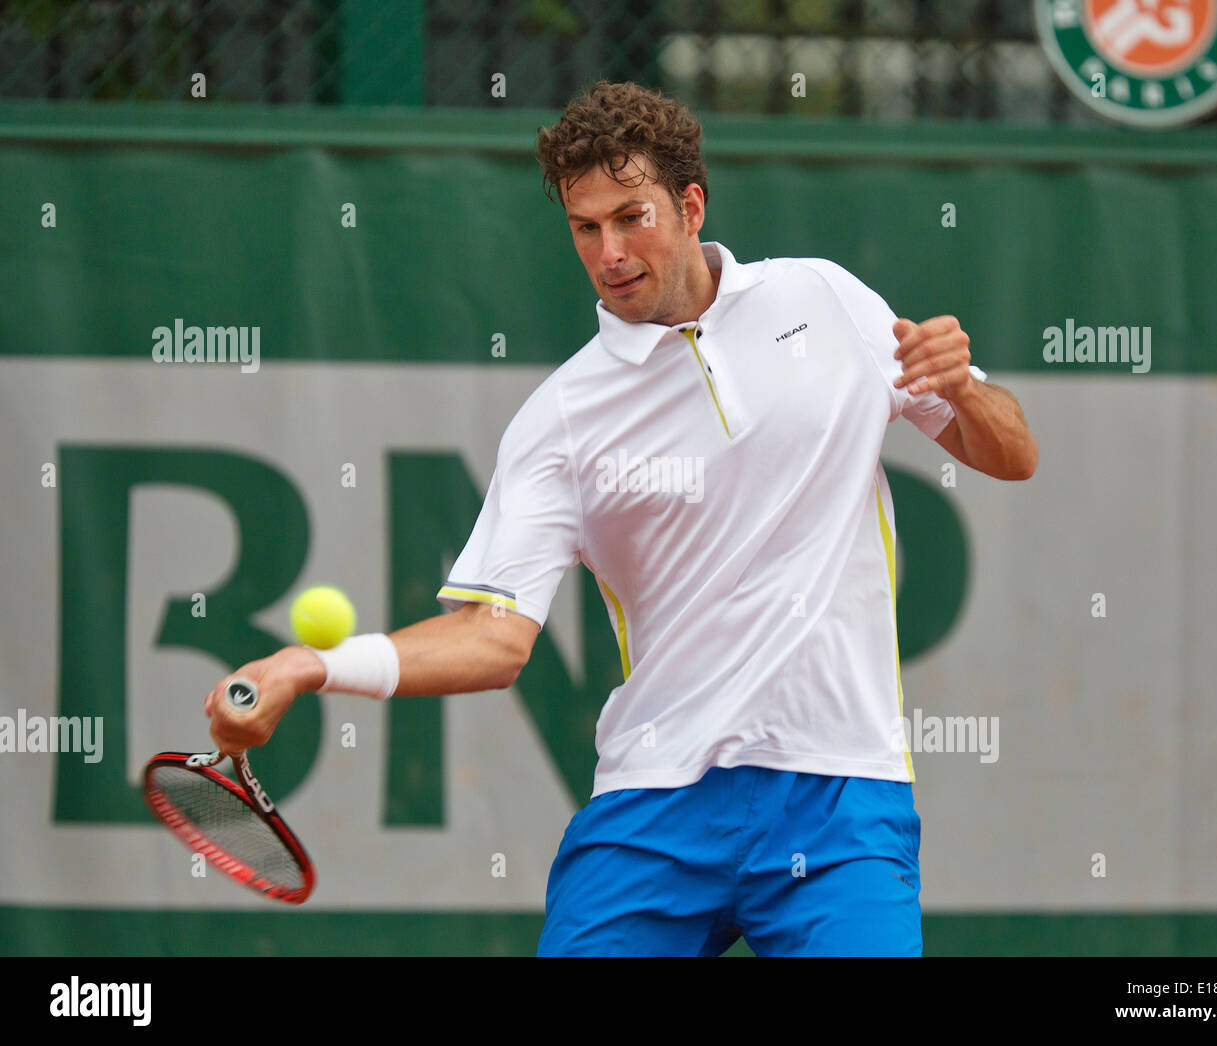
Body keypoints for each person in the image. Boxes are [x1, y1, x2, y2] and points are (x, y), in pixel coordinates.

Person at [205, 80, 1037, 956]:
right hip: (655, 801)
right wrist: (312, 666)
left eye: (630, 217)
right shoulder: (563, 417)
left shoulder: (825, 301)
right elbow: (494, 639)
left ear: (690, 205)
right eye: (585, 228)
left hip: (838, 796)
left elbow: (1011, 455)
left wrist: (960, 390)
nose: (610, 252)